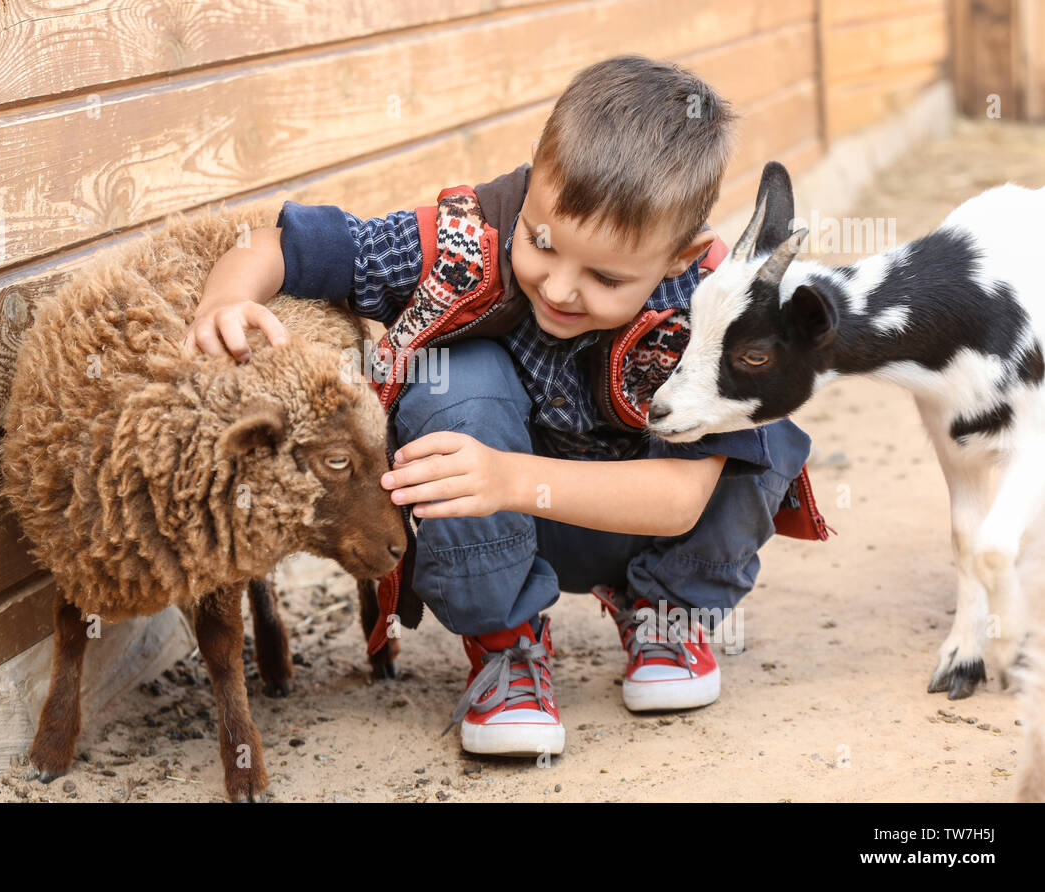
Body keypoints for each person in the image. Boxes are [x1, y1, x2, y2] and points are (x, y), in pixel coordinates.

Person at [183, 55, 820, 758]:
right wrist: (226, 299)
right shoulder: (467, 241)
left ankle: (666, 613)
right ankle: (505, 645)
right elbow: (277, 246)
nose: (561, 288)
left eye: (606, 276)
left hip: (640, 519)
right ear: (533, 185)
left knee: (761, 425)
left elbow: (678, 501)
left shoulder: (705, 310)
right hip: (495, 525)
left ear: (679, 257)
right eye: (543, 241)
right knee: (453, 372)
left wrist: (517, 479)